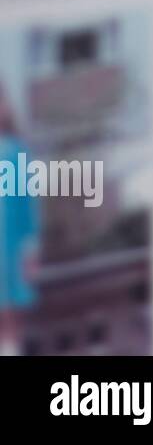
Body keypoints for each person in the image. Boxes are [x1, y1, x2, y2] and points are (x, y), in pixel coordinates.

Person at [0, 84, 39, 356]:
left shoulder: (17, 151)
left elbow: (28, 205)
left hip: (11, 254)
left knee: (10, 324)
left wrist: (30, 250)